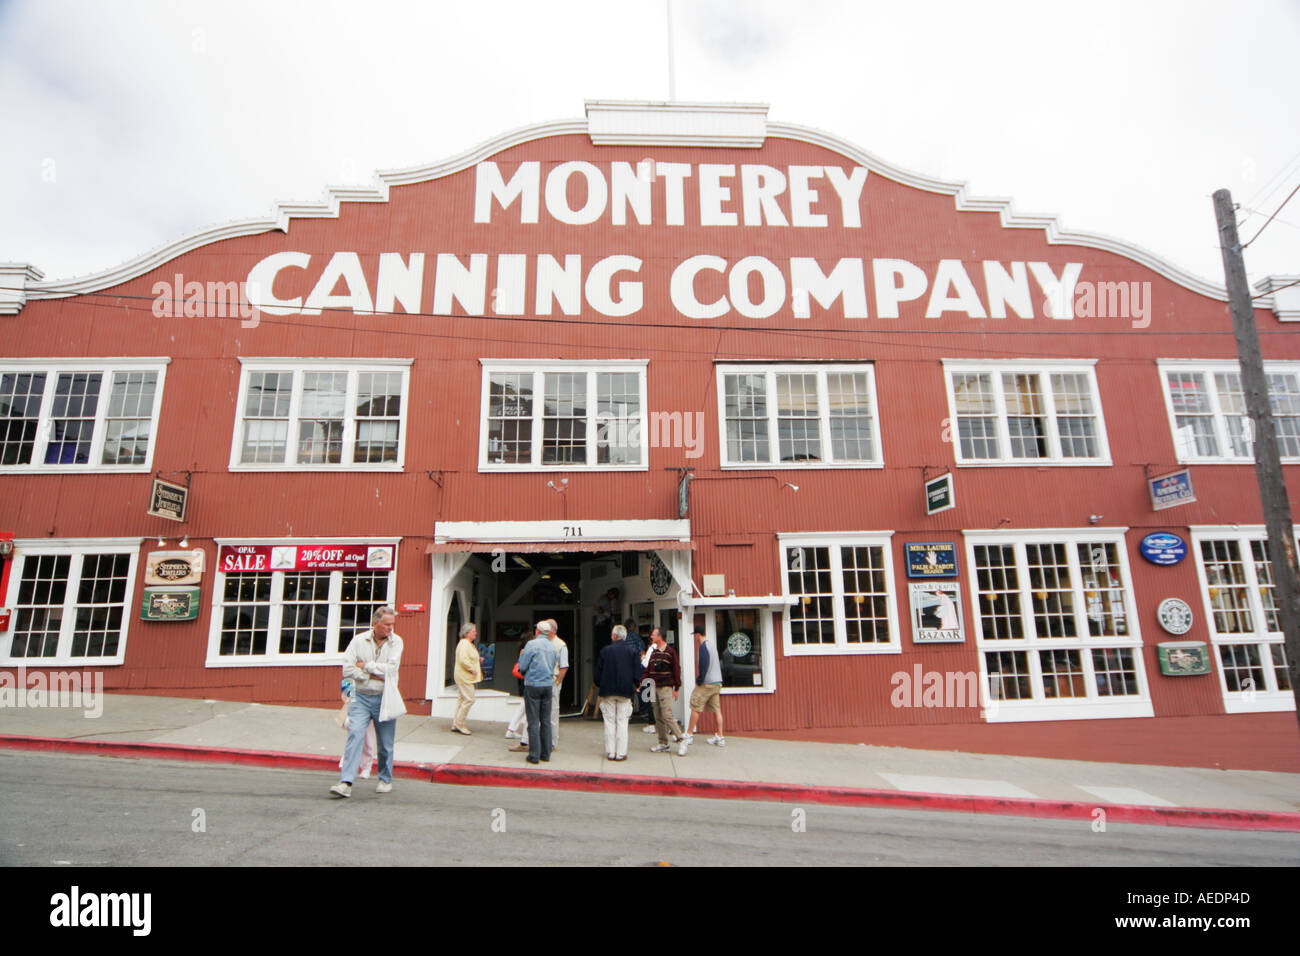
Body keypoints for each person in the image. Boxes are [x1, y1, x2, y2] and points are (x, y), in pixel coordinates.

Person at [331, 606, 403, 797]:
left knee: (385, 742)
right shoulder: (358, 641)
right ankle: (345, 782)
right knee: (355, 735)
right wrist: (372, 675)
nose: (390, 628)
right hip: (360, 696)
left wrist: (366, 667)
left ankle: (385, 779)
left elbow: (391, 670)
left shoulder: (397, 642)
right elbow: (347, 669)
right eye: (387, 624)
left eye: (392, 624)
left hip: (384, 697)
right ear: (375, 623)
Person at [509, 617, 568, 752]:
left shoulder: (559, 645)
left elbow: (563, 666)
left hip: (546, 682)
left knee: (547, 715)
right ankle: (527, 742)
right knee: (538, 716)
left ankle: (550, 744)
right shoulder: (549, 645)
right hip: (546, 682)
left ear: (551, 630)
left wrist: (557, 682)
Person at [593, 623, 640, 761]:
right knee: (622, 722)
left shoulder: (605, 651)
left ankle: (611, 752)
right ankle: (621, 752)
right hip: (625, 691)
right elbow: (637, 673)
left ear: (614, 636)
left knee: (609, 722)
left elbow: (597, 673)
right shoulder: (632, 651)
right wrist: (636, 685)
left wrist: (599, 684)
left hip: (608, 690)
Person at [515, 620, 559, 764]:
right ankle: (546, 754)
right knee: (545, 720)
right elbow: (553, 665)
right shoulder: (552, 648)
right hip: (547, 684)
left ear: (538, 631)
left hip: (533, 684)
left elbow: (522, 665)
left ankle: (534, 754)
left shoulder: (531, 645)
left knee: (533, 721)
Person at [678, 626, 725, 755]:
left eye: (695, 635)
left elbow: (704, 664)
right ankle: (720, 736)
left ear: (698, 635)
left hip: (707, 682)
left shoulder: (703, 647)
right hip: (717, 682)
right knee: (716, 709)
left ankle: (689, 734)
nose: (694, 637)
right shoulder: (712, 645)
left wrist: (700, 679)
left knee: (695, 705)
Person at [641, 626, 685, 752]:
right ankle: (663, 742)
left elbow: (677, 670)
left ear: (660, 636)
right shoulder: (654, 652)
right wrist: (642, 683)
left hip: (665, 687)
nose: (651, 636)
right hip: (654, 687)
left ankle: (681, 740)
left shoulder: (670, 652)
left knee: (666, 714)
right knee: (657, 715)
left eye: (653, 635)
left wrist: (677, 687)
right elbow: (648, 670)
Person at [337, 677, 377, 778]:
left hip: (370, 701)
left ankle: (366, 767)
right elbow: (348, 678)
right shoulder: (351, 664)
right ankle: (348, 762)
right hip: (355, 704)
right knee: (353, 735)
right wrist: (348, 697)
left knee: (368, 738)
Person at [451, 622, 481, 735]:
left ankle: (455, 723)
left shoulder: (468, 644)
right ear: (467, 632)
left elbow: (468, 657)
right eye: (474, 631)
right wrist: (471, 668)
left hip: (464, 675)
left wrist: (478, 660)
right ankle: (460, 723)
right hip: (465, 676)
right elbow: (463, 659)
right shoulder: (464, 644)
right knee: (469, 699)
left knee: (462, 699)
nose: (476, 633)